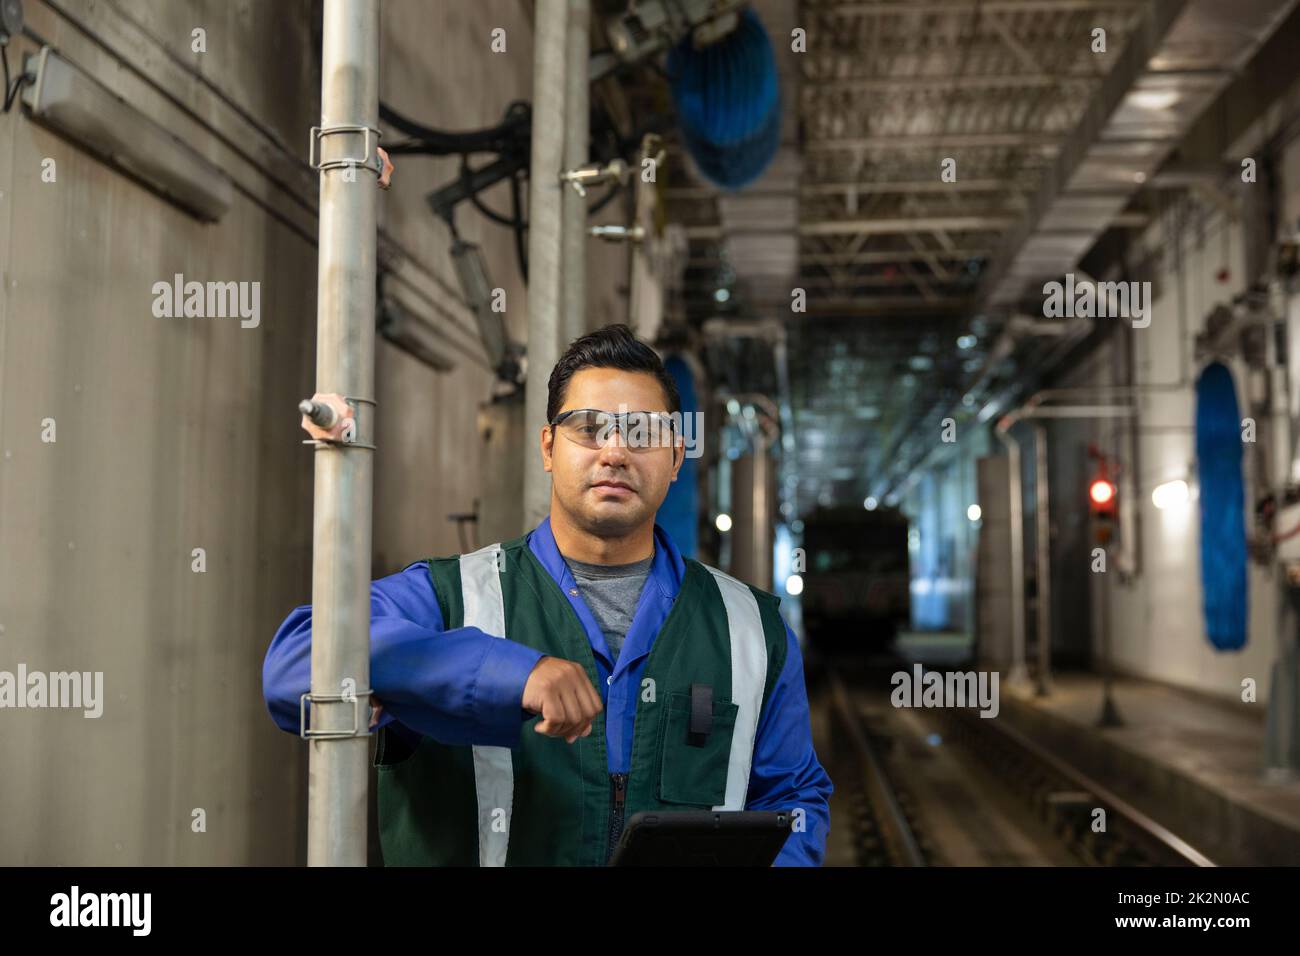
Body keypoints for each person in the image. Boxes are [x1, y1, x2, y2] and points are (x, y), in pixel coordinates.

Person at [262, 324, 833, 866]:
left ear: (677, 456)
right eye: (589, 427)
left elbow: (795, 800)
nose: (615, 452)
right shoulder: (452, 597)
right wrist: (513, 673)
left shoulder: (750, 629)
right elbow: (296, 665)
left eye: (643, 433)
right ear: (548, 448)